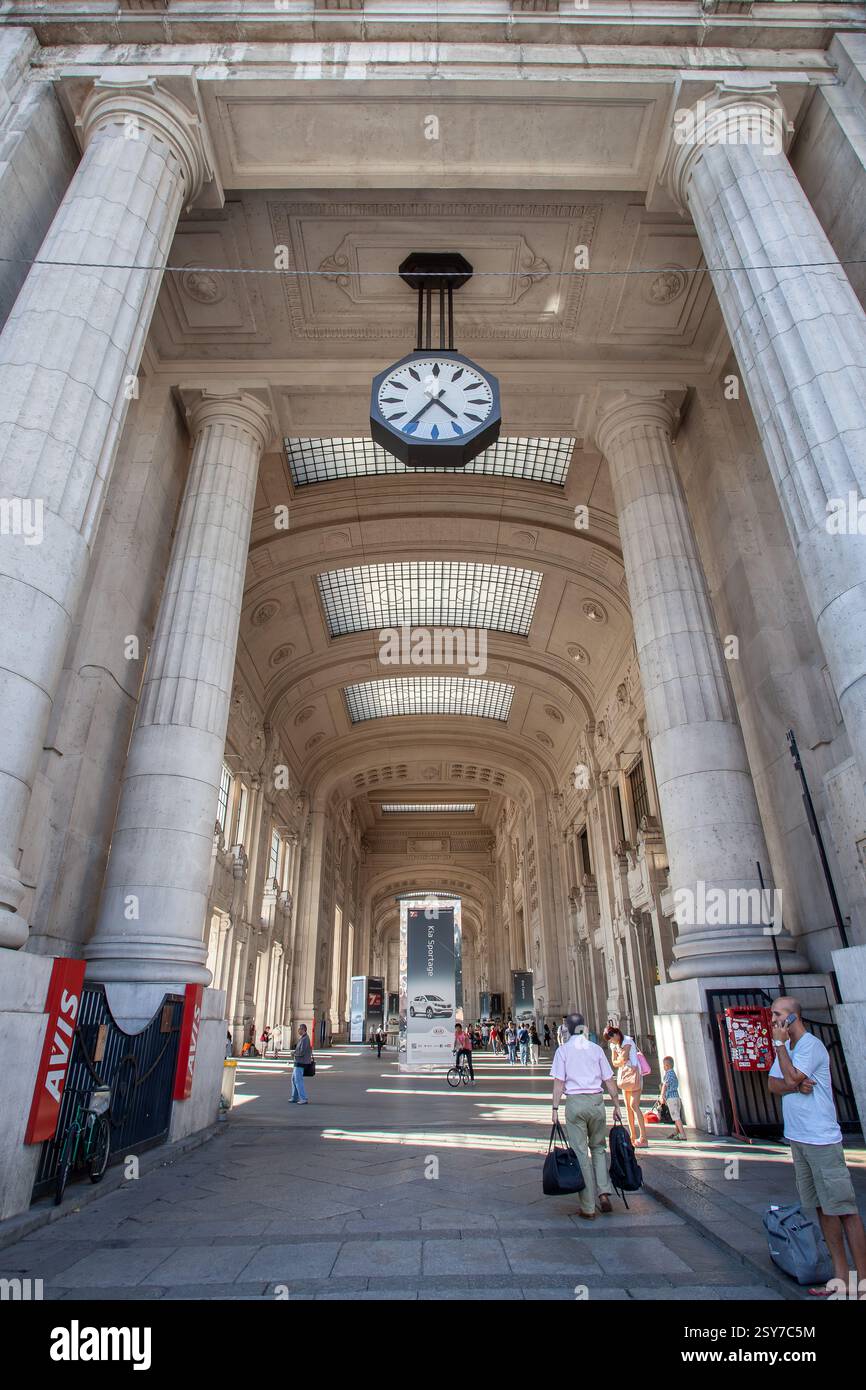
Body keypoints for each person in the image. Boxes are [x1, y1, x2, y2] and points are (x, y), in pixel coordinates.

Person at [768, 996, 866, 1296]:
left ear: (793, 1019)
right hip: (799, 1139)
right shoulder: (788, 1049)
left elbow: (791, 1075)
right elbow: (774, 1085)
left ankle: (862, 1282)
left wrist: (786, 1062)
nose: (772, 1020)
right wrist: (794, 1082)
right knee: (823, 1209)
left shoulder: (809, 1046)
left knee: (845, 1210)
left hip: (822, 1140)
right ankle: (839, 1278)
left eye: (777, 1015)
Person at [550, 1012, 623, 1219]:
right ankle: (604, 1193)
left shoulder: (563, 1051)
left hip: (575, 1104)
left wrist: (554, 1108)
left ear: (568, 1030)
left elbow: (558, 1083)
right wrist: (617, 1105)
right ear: (584, 1028)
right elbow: (609, 1080)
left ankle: (588, 1206)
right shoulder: (596, 1049)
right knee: (599, 1148)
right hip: (596, 1102)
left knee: (580, 1153)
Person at [603, 1026, 648, 1149]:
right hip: (624, 1075)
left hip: (634, 1074)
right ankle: (633, 1136)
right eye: (610, 1040)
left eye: (611, 1038)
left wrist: (620, 1060)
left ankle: (643, 1137)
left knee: (634, 1105)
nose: (611, 1041)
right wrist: (620, 1060)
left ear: (617, 1034)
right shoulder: (614, 1045)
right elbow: (615, 1062)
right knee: (628, 1107)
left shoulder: (627, 1040)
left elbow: (622, 1059)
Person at [660, 1055, 687, 1141]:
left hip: (671, 1098)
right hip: (676, 1097)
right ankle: (677, 1131)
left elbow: (665, 1085)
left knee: (676, 1117)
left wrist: (662, 1095)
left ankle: (682, 1134)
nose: (663, 1067)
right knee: (676, 1116)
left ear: (667, 1066)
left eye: (664, 1065)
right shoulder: (673, 1073)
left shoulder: (668, 1074)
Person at [291, 1024, 313, 1105]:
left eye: (299, 1029)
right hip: (297, 1062)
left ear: (303, 1029)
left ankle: (303, 1098)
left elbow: (302, 1051)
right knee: (294, 1079)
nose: (298, 1030)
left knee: (298, 1080)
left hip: (301, 1062)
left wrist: (294, 1053)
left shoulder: (305, 1039)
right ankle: (294, 1097)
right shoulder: (302, 1038)